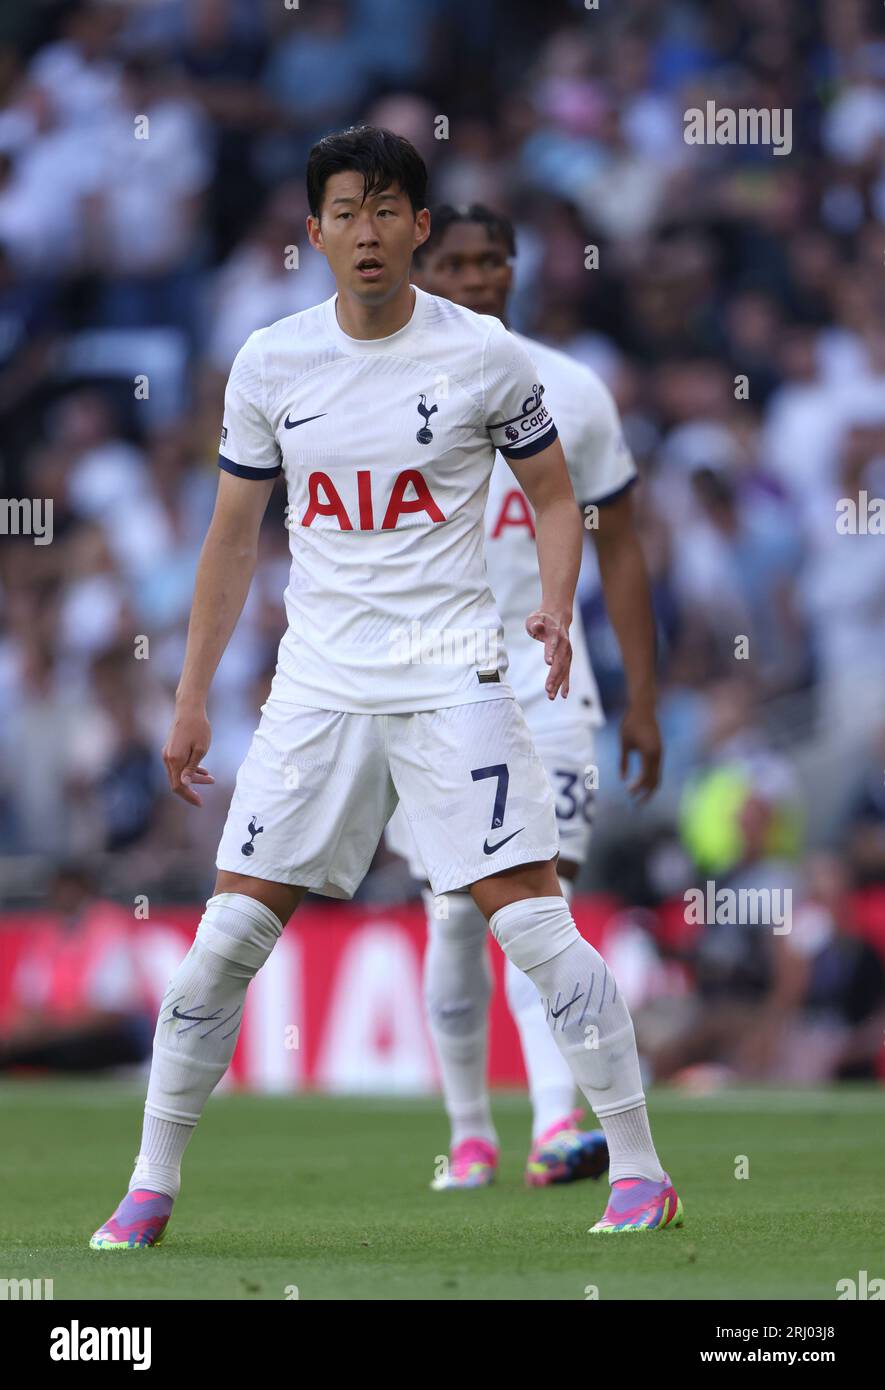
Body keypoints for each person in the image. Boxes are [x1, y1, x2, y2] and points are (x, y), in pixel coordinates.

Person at [90, 126, 680, 1250]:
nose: (368, 230)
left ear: (420, 224)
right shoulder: (270, 362)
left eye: (389, 208)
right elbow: (229, 538)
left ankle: (641, 1170)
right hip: (316, 691)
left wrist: (554, 607)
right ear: (314, 232)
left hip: (455, 677)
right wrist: (190, 693)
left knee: (534, 926)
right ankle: (150, 1185)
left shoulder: (489, 357)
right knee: (224, 940)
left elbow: (562, 500)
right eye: (346, 210)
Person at [384, 203, 662, 1190]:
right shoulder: (381, 382)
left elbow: (622, 548)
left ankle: (554, 1123)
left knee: (543, 902)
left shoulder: (575, 390)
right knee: (456, 913)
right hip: (429, 683)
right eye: (454, 262)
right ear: (425, 265)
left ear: (515, 269)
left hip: (550, 683)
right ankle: (469, 1130)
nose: (475, 278)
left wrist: (643, 696)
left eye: (491, 260)